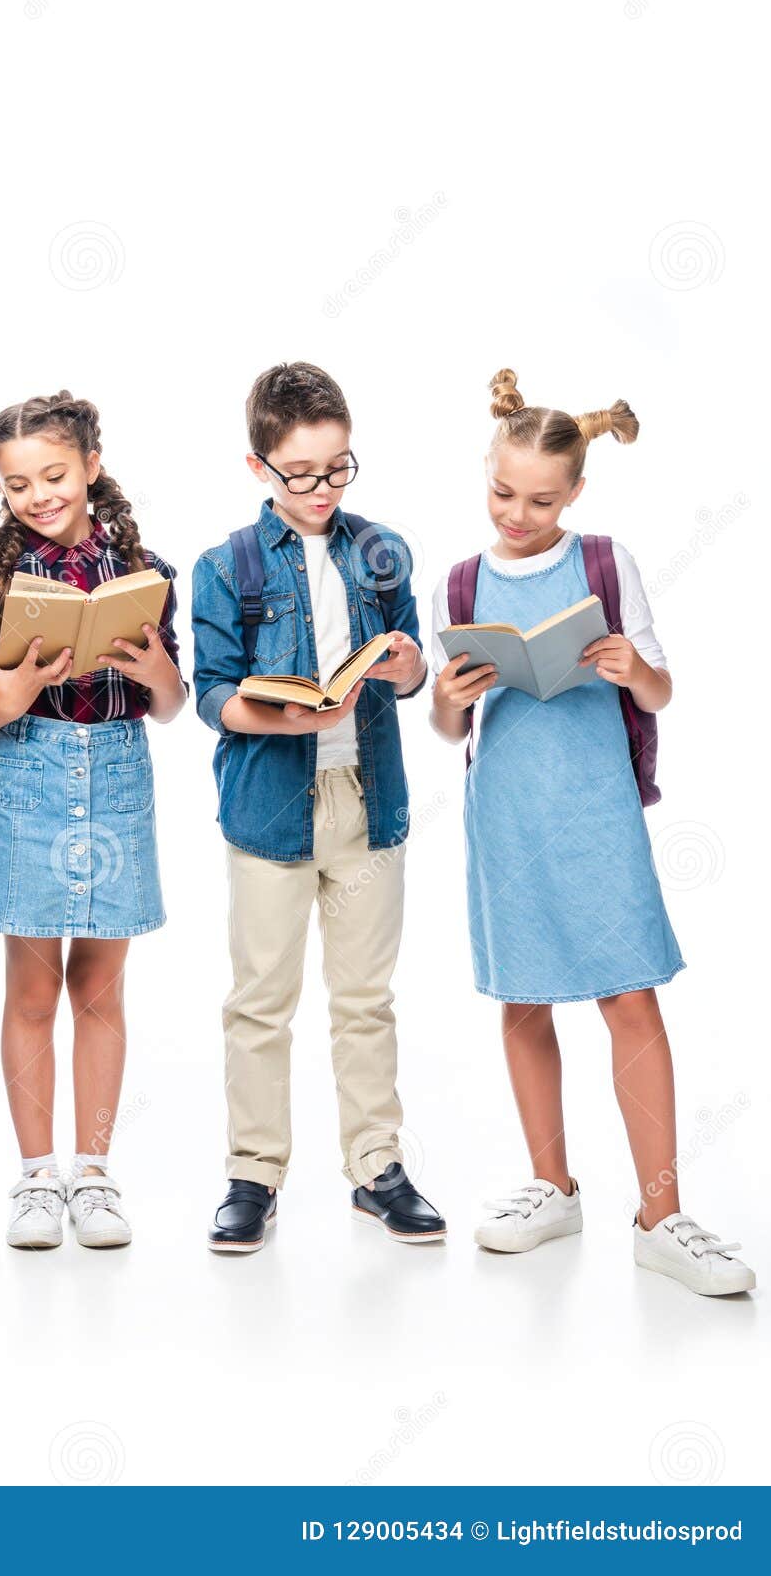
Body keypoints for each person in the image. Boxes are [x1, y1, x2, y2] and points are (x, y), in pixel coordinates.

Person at [429, 368, 754, 1296]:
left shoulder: (605, 563)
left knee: (630, 999)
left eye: (541, 498)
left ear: (576, 491)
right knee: (524, 999)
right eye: (502, 492)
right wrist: (449, 704)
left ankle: (662, 1213)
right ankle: (552, 1184)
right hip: (507, 811)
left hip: (597, 809)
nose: (518, 514)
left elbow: (660, 689)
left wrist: (627, 667)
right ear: (485, 473)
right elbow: (455, 731)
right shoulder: (461, 579)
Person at [192, 361, 444, 1252]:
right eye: (302, 473)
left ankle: (377, 1168)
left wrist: (408, 669)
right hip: (270, 806)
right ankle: (252, 1175)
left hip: (369, 801)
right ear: (260, 467)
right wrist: (293, 714)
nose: (323, 488)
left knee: (366, 996)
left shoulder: (383, 549)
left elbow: (412, 662)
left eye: (339, 467)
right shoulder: (228, 565)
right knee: (261, 1000)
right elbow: (212, 695)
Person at [0, 390, 186, 1251]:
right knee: (29, 988)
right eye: (19, 484)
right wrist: (11, 693)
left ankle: (94, 1174)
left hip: (119, 769)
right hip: (30, 771)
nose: (40, 495)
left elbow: (168, 708)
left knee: (100, 987)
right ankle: (36, 1178)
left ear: (91, 464)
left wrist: (160, 670)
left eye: (55, 474)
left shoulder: (149, 568)